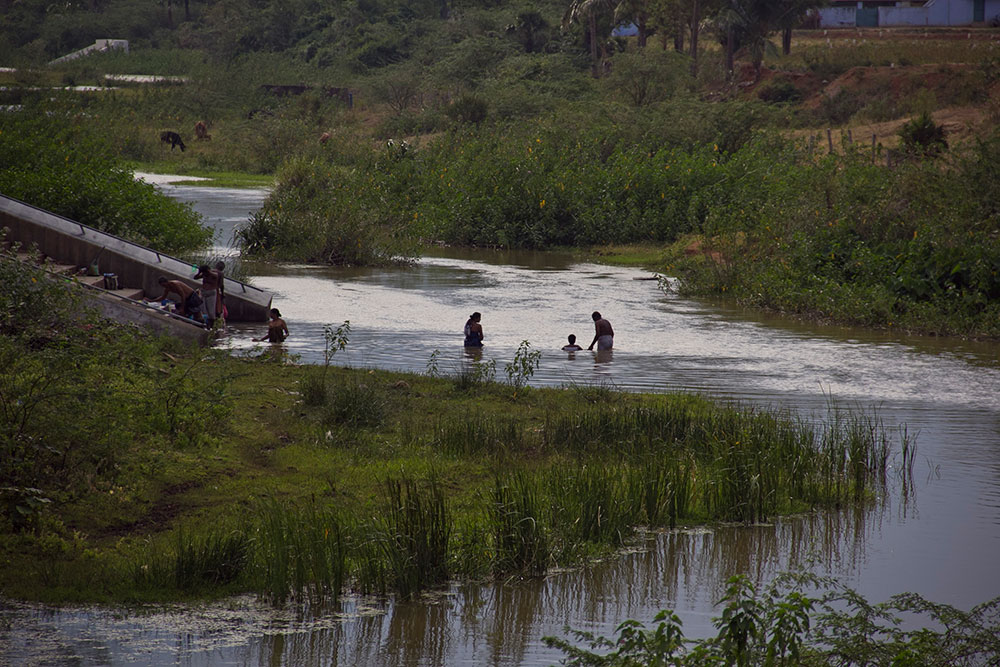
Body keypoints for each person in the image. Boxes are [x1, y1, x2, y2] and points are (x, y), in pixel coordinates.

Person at [193, 264, 220, 328]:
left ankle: (212, 326)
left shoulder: (214, 274)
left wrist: (209, 271)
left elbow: (216, 276)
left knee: (211, 312)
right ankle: (206, 325)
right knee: (203, 310)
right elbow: (195, 277)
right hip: (204, 293)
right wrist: (199, 273)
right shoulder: (204, 275)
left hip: (211, 293)